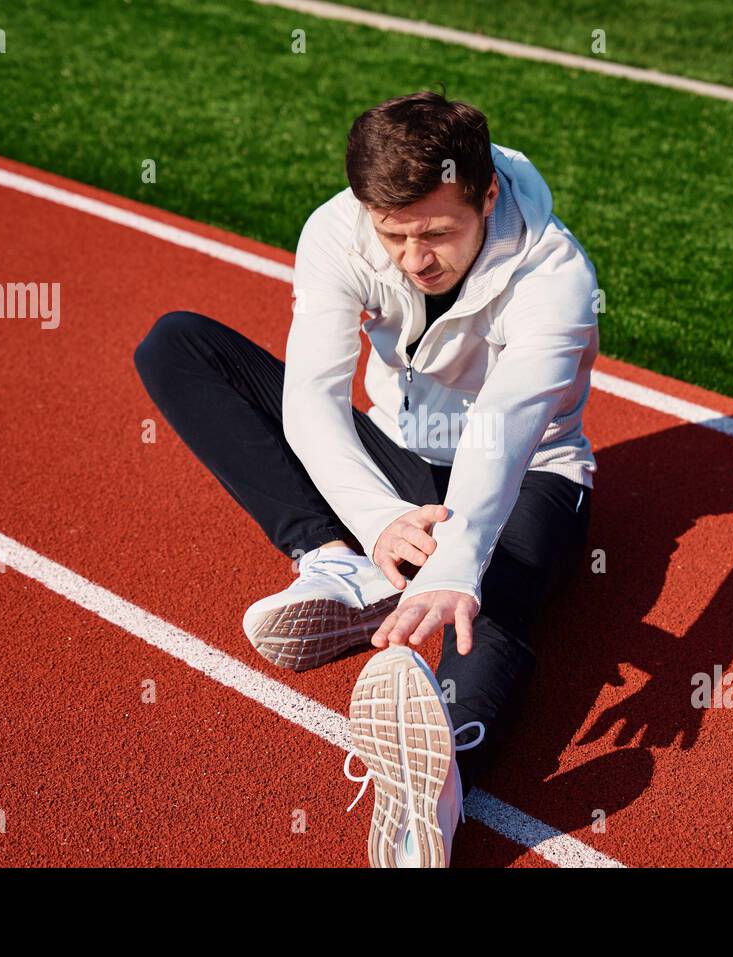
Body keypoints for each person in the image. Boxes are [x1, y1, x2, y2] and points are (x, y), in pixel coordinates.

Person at [133, 89, 599, 867]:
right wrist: (379, 518)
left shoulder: (557, 276)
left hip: (531, 475)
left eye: (438, 234)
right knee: (176, 345)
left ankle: (438, 783)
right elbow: (312, 399)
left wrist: (453, 566)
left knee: (484, 600)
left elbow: (505, 428)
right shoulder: (335, 233)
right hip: (398, 461)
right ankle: (337, 560)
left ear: (487, 194)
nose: (415, 260)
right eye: (394, 235)